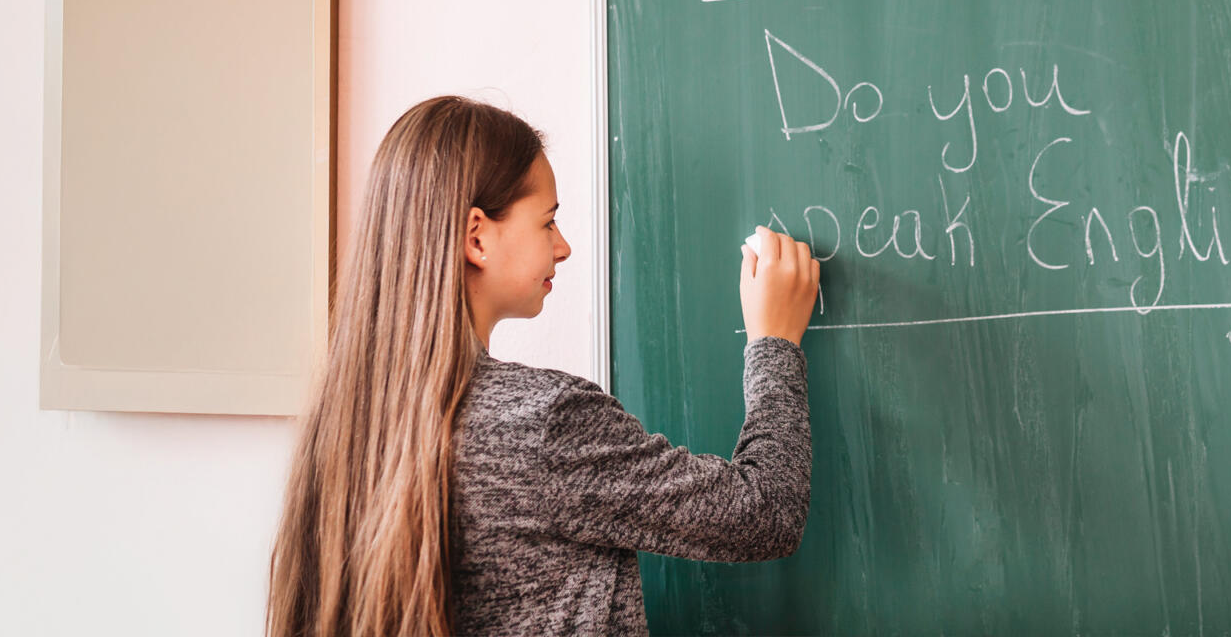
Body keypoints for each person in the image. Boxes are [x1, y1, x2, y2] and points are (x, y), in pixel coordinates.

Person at [266, 95, 819, 636]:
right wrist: (773, 341)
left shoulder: (340, 425)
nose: (565, 247)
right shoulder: (545, 424)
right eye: (547, 222)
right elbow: (765, 512)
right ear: (475, 237)